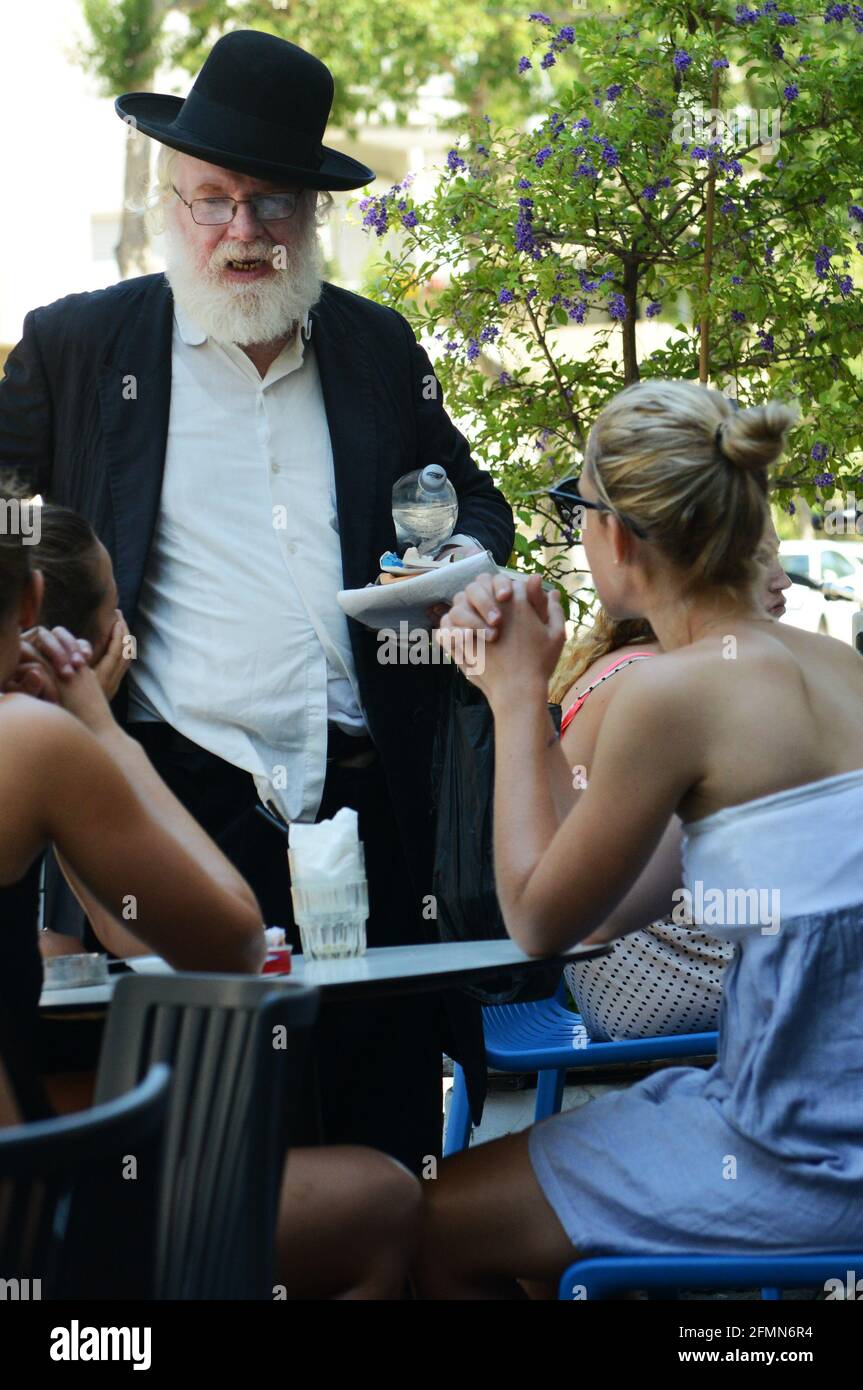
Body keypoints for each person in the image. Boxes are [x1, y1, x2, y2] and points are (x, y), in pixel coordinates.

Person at [0, 30, 515, 1172]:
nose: (242, 232)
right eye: (213, 201)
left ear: (310, 216)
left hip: (366, 801)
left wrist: (459, 571)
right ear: (168, 202)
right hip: (174, 795)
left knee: (377, 1132)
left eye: (271, 205)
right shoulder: (80, 345)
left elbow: (474, 500)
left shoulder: (377, 348)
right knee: (204, 1156)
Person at [416, 380, 863, 1298]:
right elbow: (611, 906)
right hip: (798, 1120)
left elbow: (540, 925)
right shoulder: (835, 665)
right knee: (524, 1216)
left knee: (424, 1225)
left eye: (579, 510)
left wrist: (509, 698)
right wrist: (530, 703)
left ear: (615, 536)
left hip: (800, 1155)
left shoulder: (673, 692)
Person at [0, 507, 424, 1298]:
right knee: (382, 1197)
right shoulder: (30, 740)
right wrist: (101, 725)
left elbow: (115, 930)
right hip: (26, 1231)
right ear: (30, 605)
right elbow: (234, 941)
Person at [554, 524, 792, 1041]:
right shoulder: (656, 683)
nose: (784, 582)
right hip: (655, 975)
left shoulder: (641, 664)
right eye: (761, 560)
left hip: (626, 967)